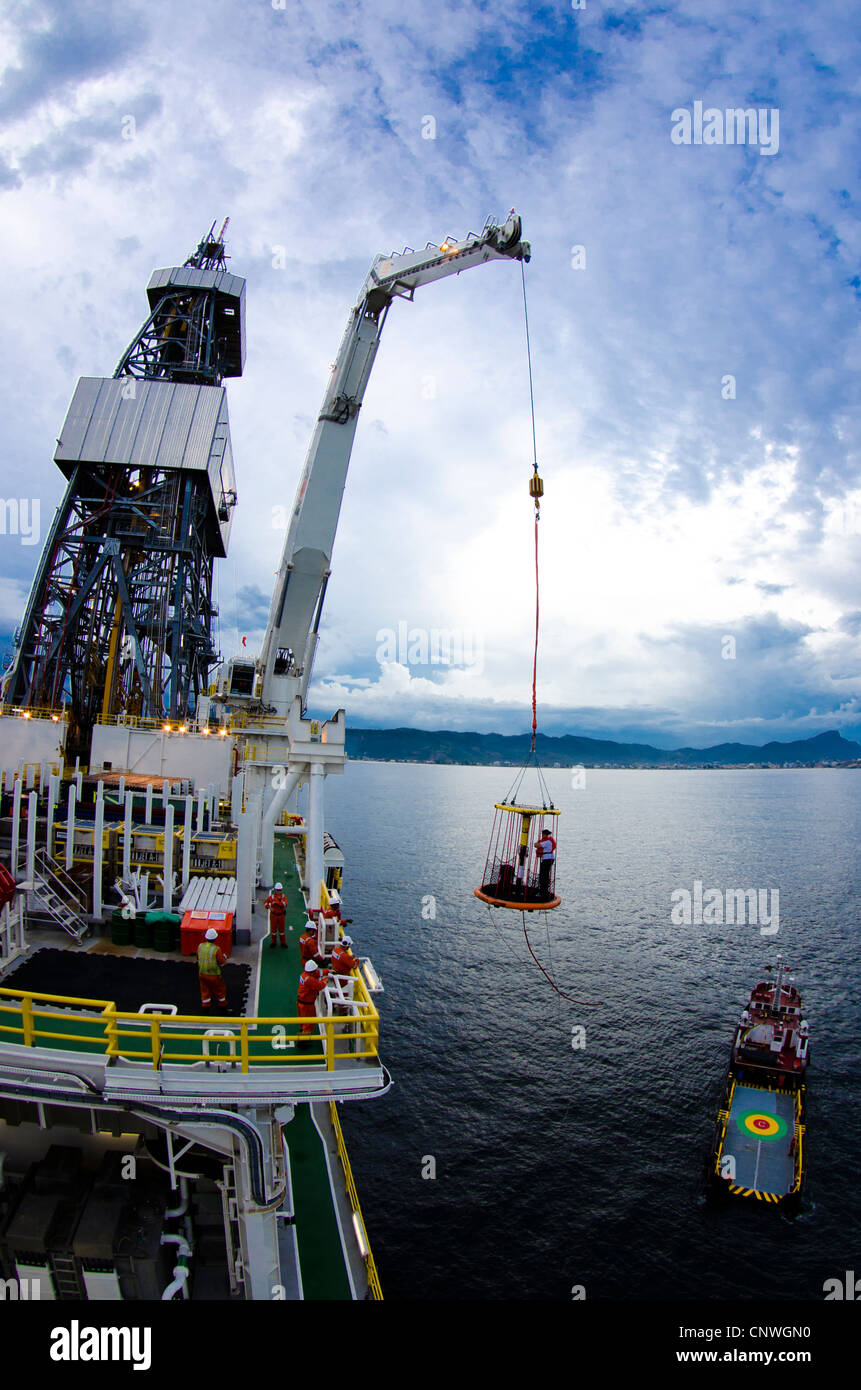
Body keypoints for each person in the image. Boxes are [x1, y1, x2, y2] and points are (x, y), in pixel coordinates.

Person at [197, 926, 228, 1011]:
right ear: (216, 938)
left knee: (205, 992)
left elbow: (198, 957)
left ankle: (206, 1009)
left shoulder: (200, 946)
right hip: (214, 975)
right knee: (220, 991)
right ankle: (223, 1008)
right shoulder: (217, 949)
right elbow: (222, 962)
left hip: (202, 973)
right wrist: (224, 957)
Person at [297, 959, 329, 1034]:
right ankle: (304, 1040)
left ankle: (302, 1031)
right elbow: (319, 986)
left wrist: (327, 971)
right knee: (309, 1023)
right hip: (307, 1005)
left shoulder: (304, 975)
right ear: (312, 971)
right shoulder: (309, 980)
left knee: (303, 1020)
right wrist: (325, 980)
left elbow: (317, 973)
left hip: (301, 1002)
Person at [535, 827, 557, 899]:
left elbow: (536, 845)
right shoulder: (549, 840)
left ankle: (542, 892)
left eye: (543, 834)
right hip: (549, 858)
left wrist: (538, 842)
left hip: (547, 859)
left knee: (543, 876)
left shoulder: (547, 841)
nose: (542, 835)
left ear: (545, 834)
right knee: (545, 875)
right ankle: (544, 890)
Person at [264, 882, 287, 949]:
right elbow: (265, 903)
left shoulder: (283, 897)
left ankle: (283, 943)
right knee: (273, 930)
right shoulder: (271, 897)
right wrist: (270, 907)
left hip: (281, 916)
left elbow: (285, 904)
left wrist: (277, 902)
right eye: (277, 890)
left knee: (282, 931)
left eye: (280, 890)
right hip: (273, 916)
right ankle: (273, 942)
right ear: (275, 890)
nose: (279, 891)